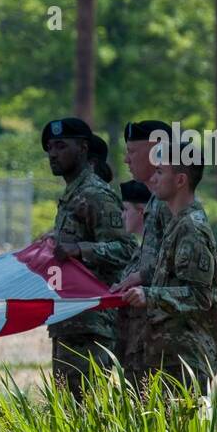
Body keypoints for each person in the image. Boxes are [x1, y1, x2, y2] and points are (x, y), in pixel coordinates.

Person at [41, 117, 135, 398]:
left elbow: (126, 250)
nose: (53, 154)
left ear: (83, 148)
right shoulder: (72, 195)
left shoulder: (96, 195)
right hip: (68, 320)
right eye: (49, 148)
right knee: (69, 412)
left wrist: (80, 250)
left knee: (87, 410)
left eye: (61, 146)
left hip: (93, 324)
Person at [122, 151, 217, 393]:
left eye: (160, 172)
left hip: (185, 361)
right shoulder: (177, 224)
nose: (153, 179)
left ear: (180, 180)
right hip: (168, 356)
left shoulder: (191, 228)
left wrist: (151, 295)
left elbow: (200, 296)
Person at [114, 179, 153, 379]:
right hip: (134, 348)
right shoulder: (143, 247)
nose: (122, 215)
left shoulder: (155, 247)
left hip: (149, 350)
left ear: (140, 211)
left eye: (125, 209)